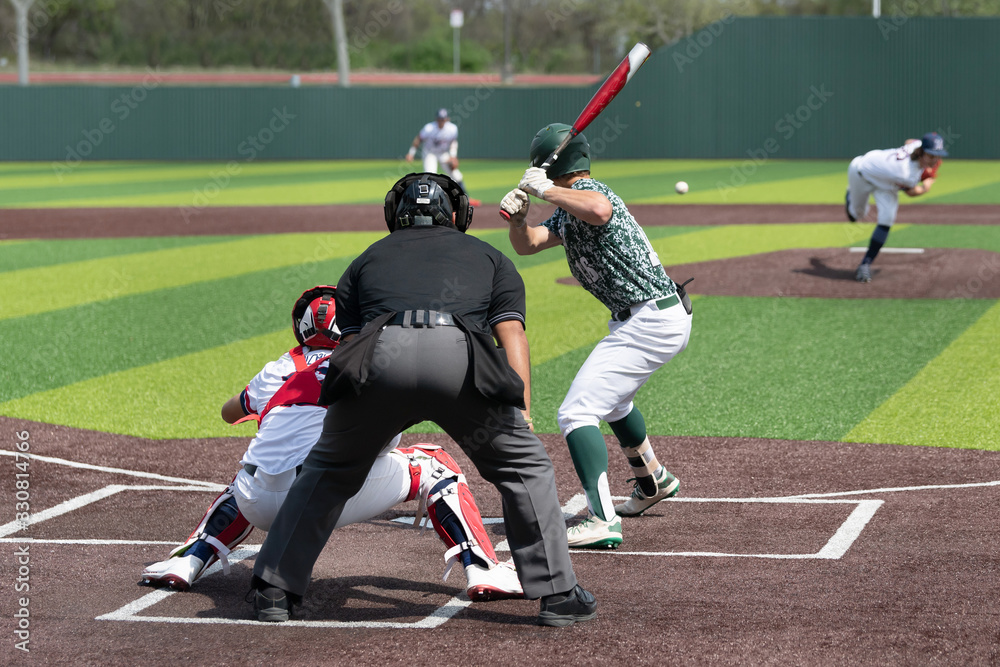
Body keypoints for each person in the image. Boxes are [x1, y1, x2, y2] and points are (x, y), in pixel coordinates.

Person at [249, 173, 595, 628]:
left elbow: (350, 345)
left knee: (329, 471)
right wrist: (522, 409)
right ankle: (557, 595)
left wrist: (349, 423)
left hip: (379, 361)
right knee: (524, 468)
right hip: (459, 363)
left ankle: (274, 589)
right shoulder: (490, 256)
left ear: (396, 214)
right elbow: (511, 335)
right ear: (457, 215)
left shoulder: (366, 259)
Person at [140, 285, 522, 603]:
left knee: (249, 476)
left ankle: (187, 561)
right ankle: (483, 568)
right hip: (322, 496)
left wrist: (270, 402)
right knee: (435, 463)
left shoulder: (280, 366)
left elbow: (229, 412)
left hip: (255, 503)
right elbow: (384, 438)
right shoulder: (369, 360)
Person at [499, 123, 693, 550]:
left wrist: (545, 191)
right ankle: (653, 479)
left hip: (651, 319)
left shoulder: (592, 194)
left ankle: (602, 519)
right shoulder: (571, 209)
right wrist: (519, 219)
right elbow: (529, 244)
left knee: (576, 412)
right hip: (649, 319)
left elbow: (600, 210)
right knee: (615, 402)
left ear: (548, 165)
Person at [846, 131, 947, 282]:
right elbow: (912, 192)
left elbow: (908, 141)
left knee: (887, 219)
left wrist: (927, 164)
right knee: (857, 216)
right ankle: (850, 196)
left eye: (937, 155)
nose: (935, 159)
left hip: (886, 183)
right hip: (861, 173)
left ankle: (865, 264)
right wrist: (927, 185)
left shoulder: (917, 145)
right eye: (931, 155)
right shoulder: (906, 174)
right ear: (921, 153)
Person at [405, 107, 481, 206]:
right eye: (440, 119)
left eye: (443, 119)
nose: (441, 121)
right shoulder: (429, 128)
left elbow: (453, 142)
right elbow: (419, 139)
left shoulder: (452, 128)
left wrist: (453, 156)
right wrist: (411, 153)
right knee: (430, 176)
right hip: (430, 154)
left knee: (456, 175)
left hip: (443, 154)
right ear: (436, 119)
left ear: (447, 119)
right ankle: (430, 200)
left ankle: (466, 198)